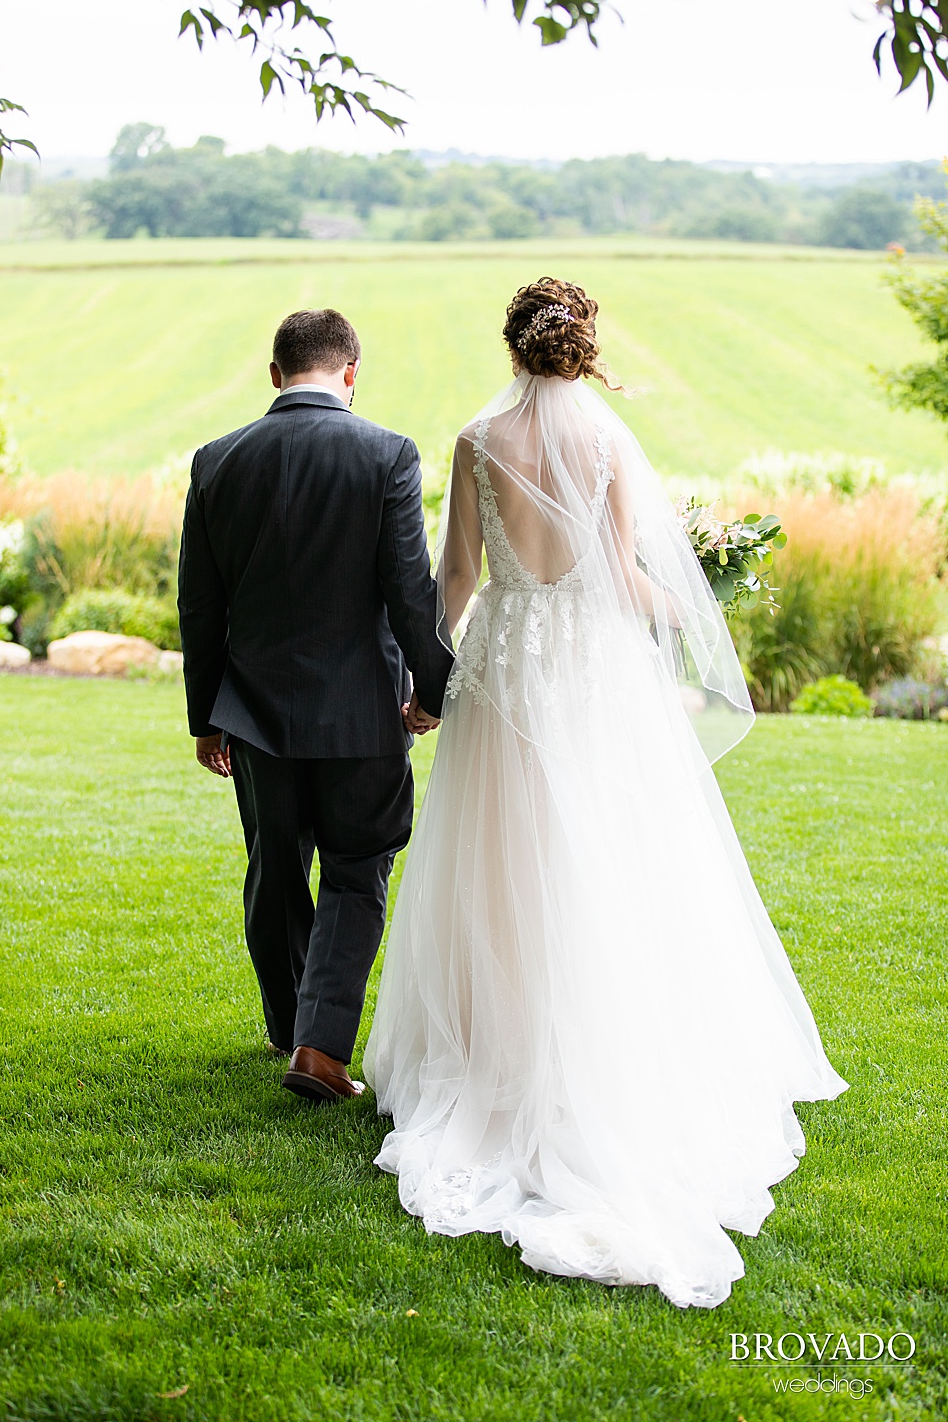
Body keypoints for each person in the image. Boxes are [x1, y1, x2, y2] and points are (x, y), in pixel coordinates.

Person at [363, 278, 847, 1308]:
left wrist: (426, 680)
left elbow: (457, 578)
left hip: (506, 664)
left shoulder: (475, 439)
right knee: (613, 850)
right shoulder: (607, 441)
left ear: (513, 346)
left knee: (500, 857)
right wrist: (691, 601)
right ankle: (607, 1038)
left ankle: (495, 1049)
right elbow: (624, 575)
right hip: (594, 668)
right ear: (584, 349)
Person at [177, 307, 455, 1104]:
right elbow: (410, 592)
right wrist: (432, 691)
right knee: (357, 870)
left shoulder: (217, 460)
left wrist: (207, 717)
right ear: (351, 372)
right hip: (364, 712)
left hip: (254, 713)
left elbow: (199, 604)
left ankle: (289, 1027)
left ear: (275, 374)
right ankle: (318, 1046)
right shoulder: (387, 453)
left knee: (275, 870)